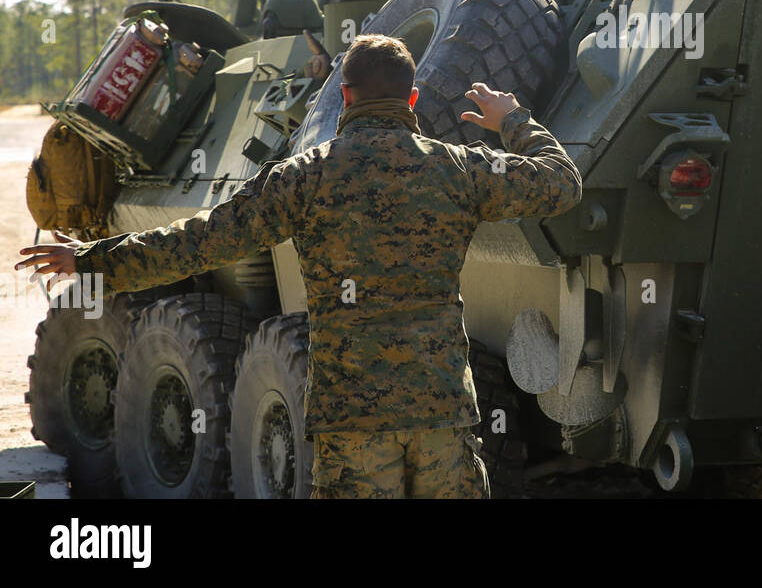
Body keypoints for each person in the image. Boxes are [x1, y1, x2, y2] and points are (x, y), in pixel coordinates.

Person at [17, 33, 582, 499]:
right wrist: (513, 120)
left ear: (344, 97)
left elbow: (202, 241)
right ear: (412, 102)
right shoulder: (458, 170)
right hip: (442, 413)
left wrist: (94, 261)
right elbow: (561, 182)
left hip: (350, 418)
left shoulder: (305, 177)